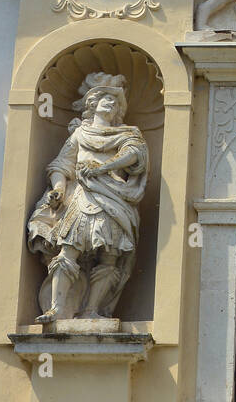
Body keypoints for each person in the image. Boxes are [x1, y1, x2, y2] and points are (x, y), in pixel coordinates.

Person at [28, 73, 149, 324]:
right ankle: (57, 308)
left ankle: (92, 310)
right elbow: (62, 165)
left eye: (114, 101)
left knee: (110, 256)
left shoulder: (128, 134)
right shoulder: (79, 134)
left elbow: (134, 155)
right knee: (68, 249)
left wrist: (102, 168)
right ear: (92, 104)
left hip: (115, 199)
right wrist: (59, 190)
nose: (110, 103)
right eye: (104, 98)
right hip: (83, 198)